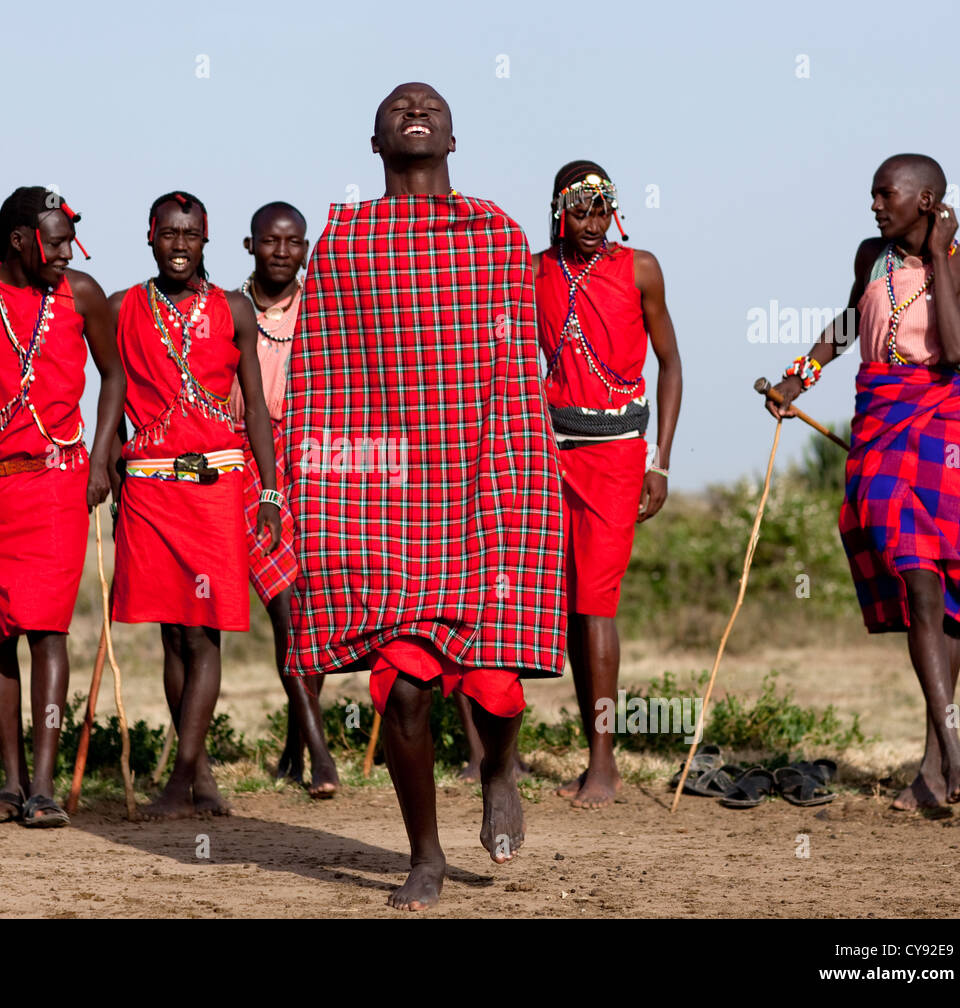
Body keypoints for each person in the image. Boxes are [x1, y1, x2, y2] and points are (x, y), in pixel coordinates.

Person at [284, 83, 566, 910]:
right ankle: (427, 855)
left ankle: (500, 768)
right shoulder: (344, 242)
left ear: (454, 136)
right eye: (400, 106)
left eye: (433, 106)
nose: (417, 110)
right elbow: (325, 374)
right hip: (390, 497)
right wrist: (318, 481)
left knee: (497, 687)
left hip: (485, 480)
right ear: (375, 142)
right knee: (404, 687)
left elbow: (518, 373)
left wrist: (524, 474)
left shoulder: (496, 235)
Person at [767, 154, 960, 810]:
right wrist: (797, 375)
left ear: (926, 200)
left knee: (939, 587)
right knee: (911, 570)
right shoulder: (872, 255)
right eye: (872, 195)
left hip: (941, 429)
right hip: (880, 425)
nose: (874, 205)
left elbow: (954, 349)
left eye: (885, 195)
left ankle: (935, 763)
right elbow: (846, 325)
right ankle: (952, 751)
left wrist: (942, 258)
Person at [0, 186, 125, 828]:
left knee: (47, 628)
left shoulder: (84, 296)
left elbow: (114, 375)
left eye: (71, 241)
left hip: (55, 484)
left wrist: (100, 458)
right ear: (20, 240)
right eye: (57, 241)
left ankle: (43, 788)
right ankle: (10, 784)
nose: (68, 253)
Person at [109, 191, 282, 821]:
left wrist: (268, 488)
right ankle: (199, 773)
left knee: (205, 633)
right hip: (151, 489)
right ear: (150, 235)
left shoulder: (233, 309)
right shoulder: (123, 307)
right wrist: (107, 461)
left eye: (191, 235)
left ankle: (182, 777)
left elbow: (256, 407)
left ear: (206, 240)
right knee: (172, 635)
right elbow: (110, 390)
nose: (179, 246)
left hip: (216, 488)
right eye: (169, 234)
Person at [533, 161, 682, 808]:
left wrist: (661, 461)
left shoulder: (639, 268)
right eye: (581, 210)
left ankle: (604, 764)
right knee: (569, 604)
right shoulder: (532, 271)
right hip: (550, 451)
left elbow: (672, 362)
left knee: (596, 601)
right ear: (560, 211)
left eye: (602, 209)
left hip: (619, 450)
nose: (593, 223)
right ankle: (588, 755)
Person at [230, 201, 339, 798]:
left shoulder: (322, 310)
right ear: (250, 246)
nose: (282, 252)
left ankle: (296, 747)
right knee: (285, 605)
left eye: (294, 243)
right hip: (248, 458)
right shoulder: (225, 308)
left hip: (315, 460)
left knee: (314, 606)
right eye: (271, 242)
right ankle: (320, 755)